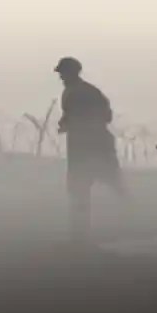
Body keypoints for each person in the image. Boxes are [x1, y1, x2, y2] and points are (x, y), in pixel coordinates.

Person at [54, 57, 126, 242]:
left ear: (72, 73)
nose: (61, 77)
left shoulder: (80, 92)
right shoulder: (80, 91)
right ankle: (79, 235)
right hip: (87, 144)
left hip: (91, 145)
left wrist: (76, 123)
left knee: (96, 186)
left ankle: (80, 235)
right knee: (84, 188)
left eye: (63, 73)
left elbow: (101, 116)